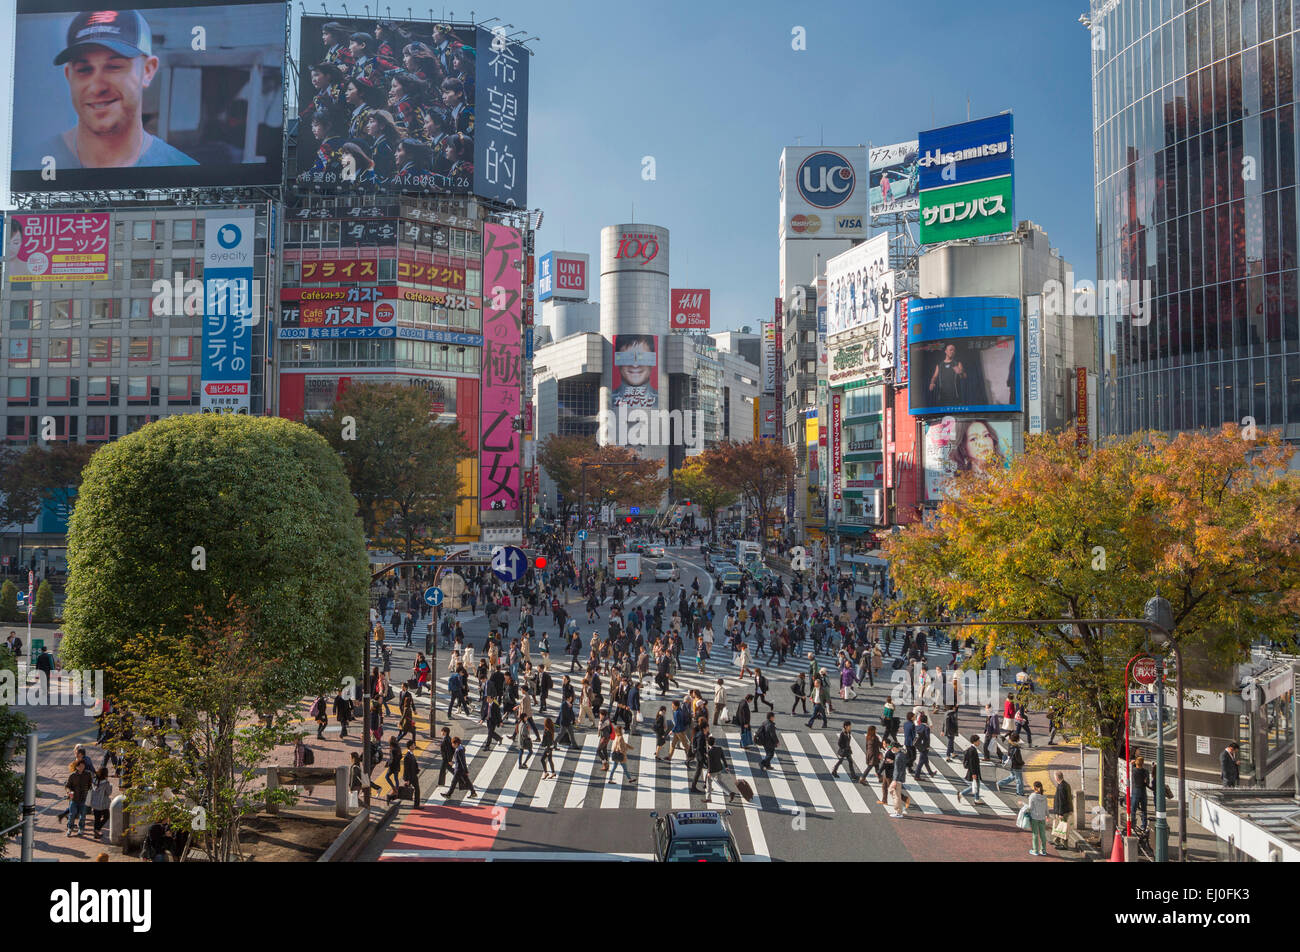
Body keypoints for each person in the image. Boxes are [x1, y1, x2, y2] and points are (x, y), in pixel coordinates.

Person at [28, 10, 199, 172]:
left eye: (114, 67)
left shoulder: (183, 172)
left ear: (148, 70)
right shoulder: (29, 164)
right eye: (84, 69)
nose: (97, 87)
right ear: (69, 75)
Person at [705, 736, 738, 804]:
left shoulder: (709, 752)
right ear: (714, 742)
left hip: (712, 770)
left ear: (708, 743)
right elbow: (723, 758)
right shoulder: (719, 749)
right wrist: (726, 766)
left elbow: (709, 763)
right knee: (719, 781)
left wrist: (709, 772)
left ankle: (708, 798)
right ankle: (730, 793)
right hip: (719, 768)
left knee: (709, 782)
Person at [65, 758, 93, 836]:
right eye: (80, 766)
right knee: (72, 814)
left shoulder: (88, 774)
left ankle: (81, 828)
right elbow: (67, 786)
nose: (81, 767)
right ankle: (70, 828)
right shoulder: (72, 776)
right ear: (76, 767)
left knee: (83, 815)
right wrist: (69, 792)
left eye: (83, 765)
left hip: (84, 798)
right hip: (74, 799)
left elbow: (91, 785)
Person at [1024, 780, 1050, 856]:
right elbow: (1046, 808)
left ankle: (1035, 850)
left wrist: (1023, 805)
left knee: (1035, 834)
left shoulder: (1032, 796)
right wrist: (1047, 816)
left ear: (1034, 787)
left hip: (1035, 818)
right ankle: (1043, 850)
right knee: (1043, 834)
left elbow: (1030, 808)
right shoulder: (1044, 797)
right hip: (1042, 818)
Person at [956, 734, 983, 803]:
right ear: (974, 742)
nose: (979, 742)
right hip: (974, 771)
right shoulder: (972, 750)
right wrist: (974, 773)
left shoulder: (972, 749)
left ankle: (976, 799)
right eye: (978, 741)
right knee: (976, 785)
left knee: (976, 785)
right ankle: (962, 794)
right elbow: (972, 763)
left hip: (974, 771)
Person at [88, 766, 112, 840]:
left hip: (95, 803)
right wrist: (110, 786)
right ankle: (97, 830)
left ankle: (96, 833)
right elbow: (109, 792)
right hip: (103, 804)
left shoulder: (94, 781)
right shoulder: (105, 783)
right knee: (106, 816)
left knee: (97, 818)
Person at [1129, 754, 1152, 831]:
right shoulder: (1146, 772)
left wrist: (1132, 763)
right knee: (1144, 810)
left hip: (1135, 791)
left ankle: (1132, 824)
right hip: (1143, 791)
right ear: (1143, 763)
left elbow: (1131, 766)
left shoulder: (1134, 770)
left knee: (1133, 809)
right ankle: (1144, 825)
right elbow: (1147, 783)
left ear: (1136, 763)